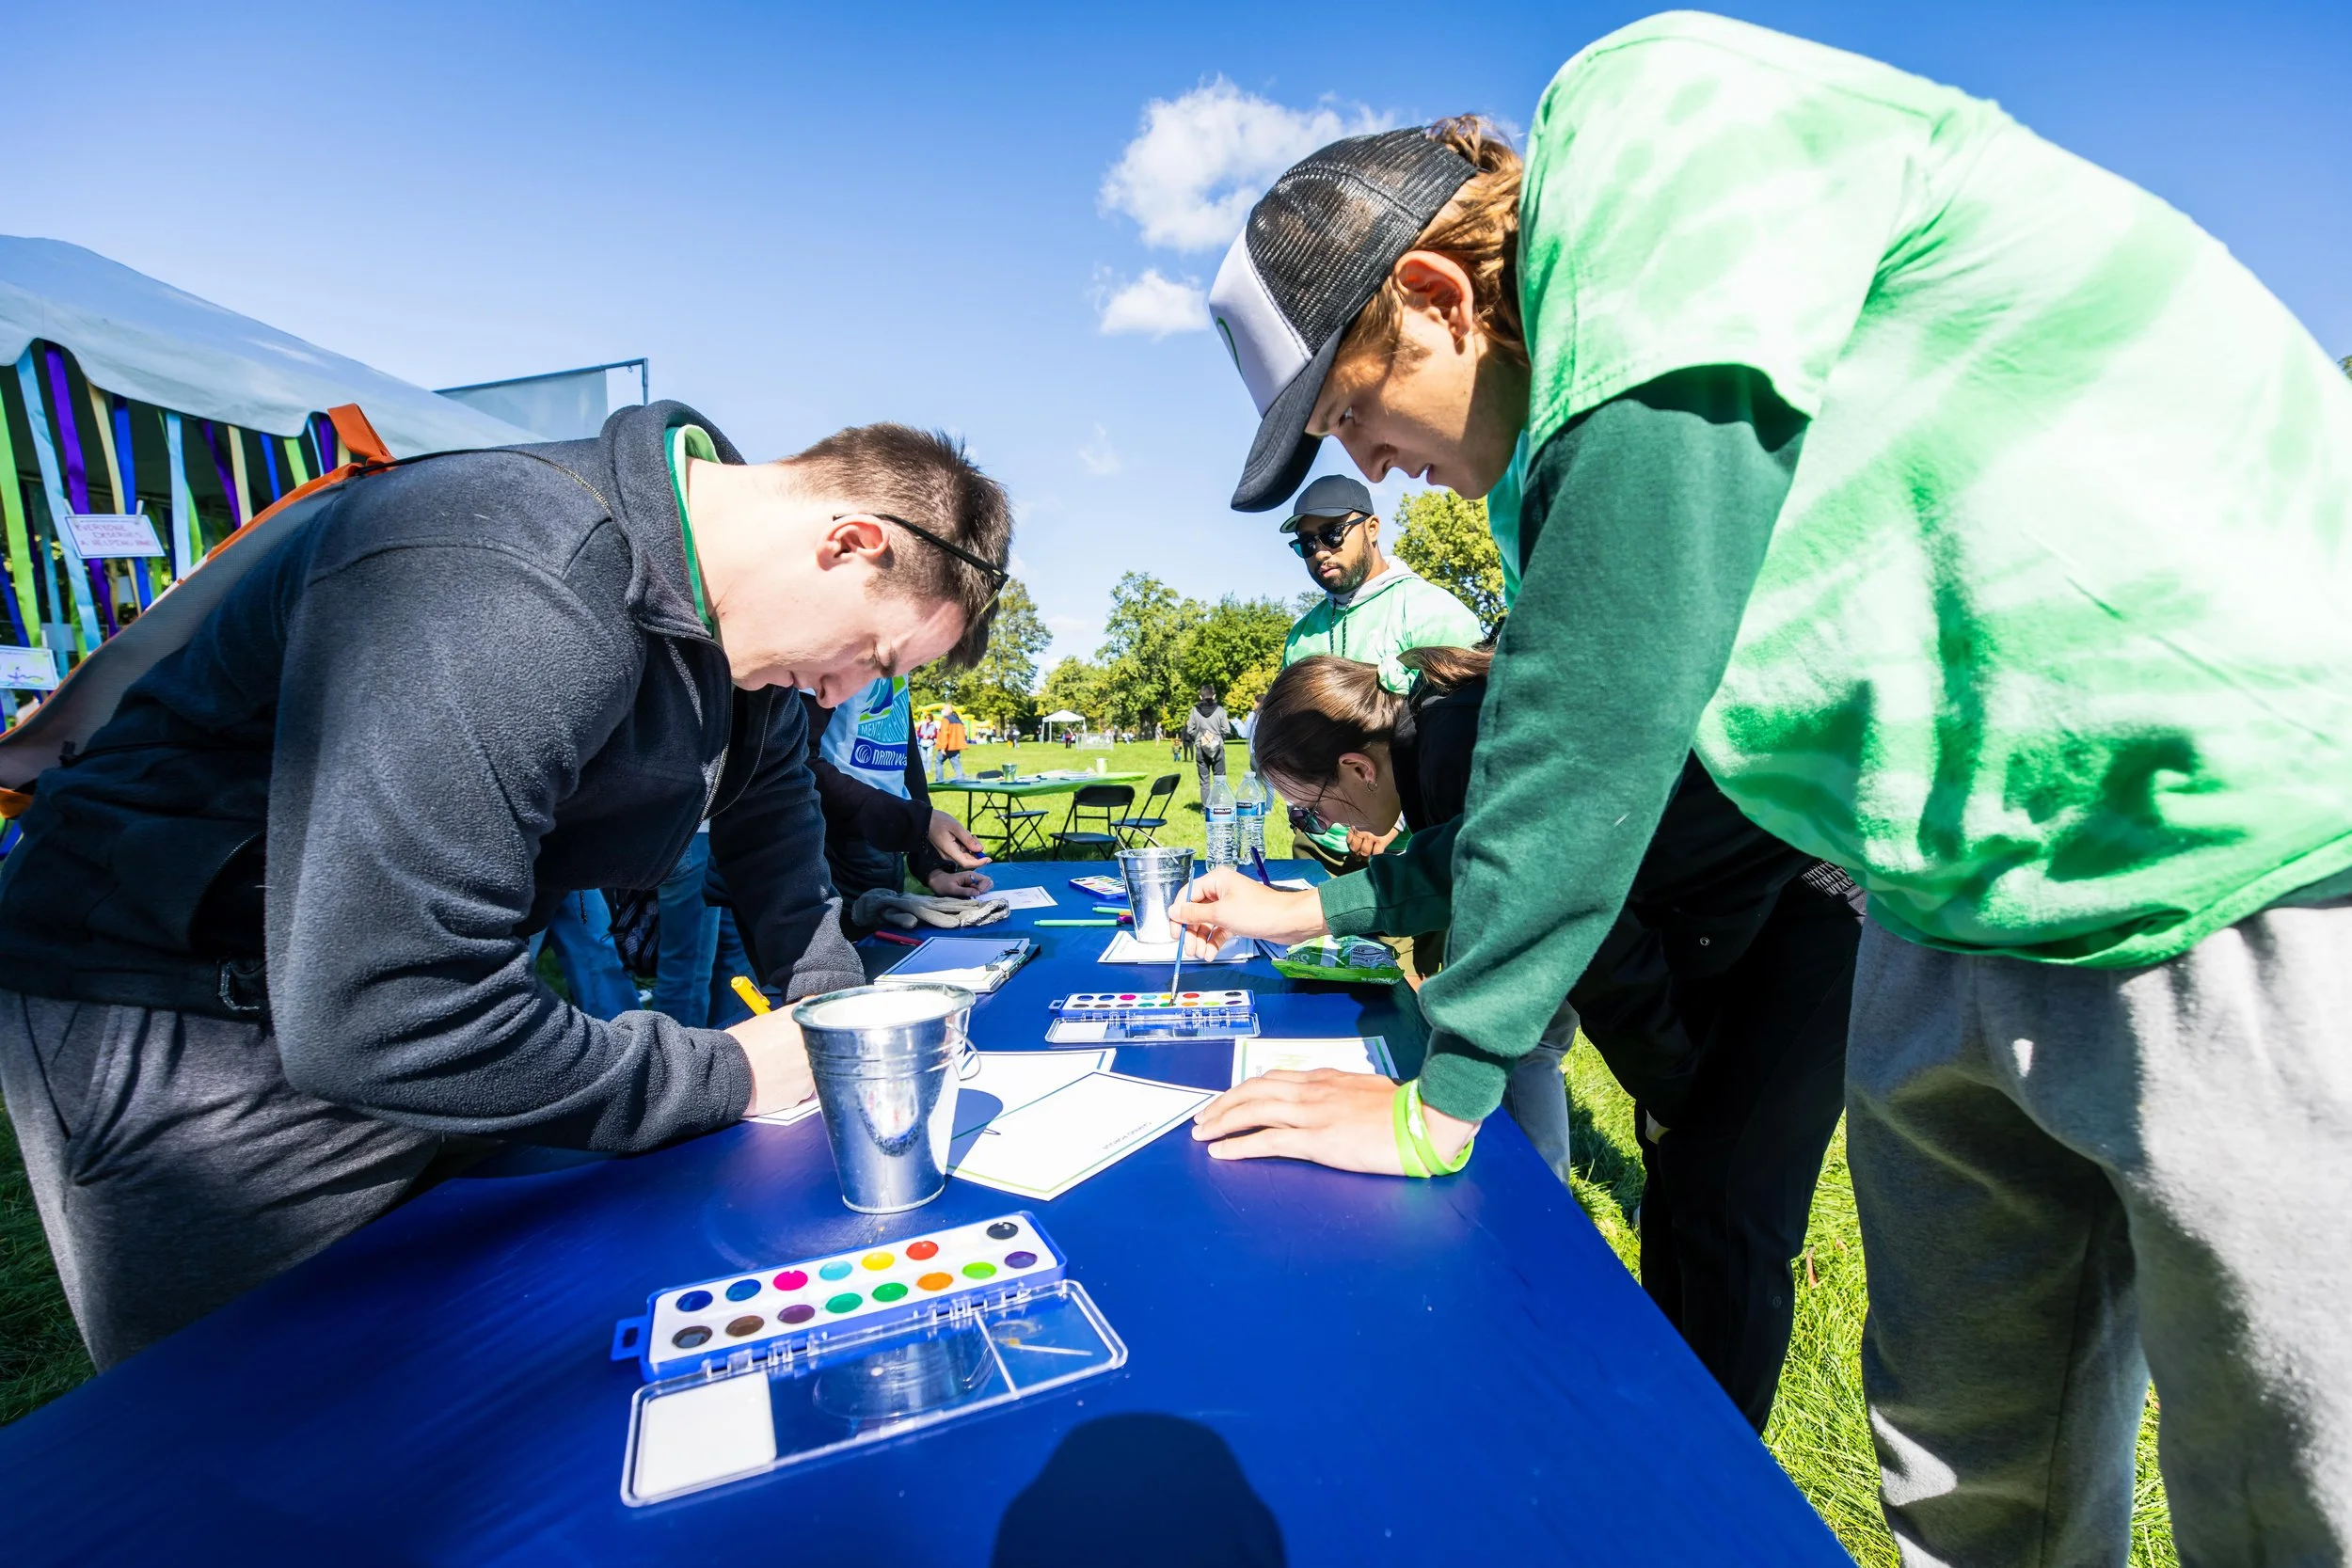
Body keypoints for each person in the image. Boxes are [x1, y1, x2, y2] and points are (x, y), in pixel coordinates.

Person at [1184, 16, 2352, 1560]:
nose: (1375, 470)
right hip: (1944, 911)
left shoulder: (1657, 114)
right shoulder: (1551, 480)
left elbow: (1582, 718)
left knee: (2292, 1487)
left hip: (2236, 851)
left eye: (1349, 417)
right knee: (1967, 1489)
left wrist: (1441, 1091)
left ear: (1439, 296)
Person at [0, 404, 1013, 1367]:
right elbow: (387, 1013)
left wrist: (832, 1014)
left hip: (395, 1011)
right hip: (179, 1011)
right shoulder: (511, 565)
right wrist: (735, 1071)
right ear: (850, 542)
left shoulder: (740, 630)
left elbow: (771, 805)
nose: (847, 693)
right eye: (868, 656)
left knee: (472, 1370)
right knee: (261, 1417)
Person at [1180, 648, 1857, 1429]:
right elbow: (1472, 859)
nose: (1318, 825)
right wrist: (1291, 910)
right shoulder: (1437, 740)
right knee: (1683, 1188)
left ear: (1358, 768)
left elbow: (1589, 935)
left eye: (1311, 806)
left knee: (1730, 1203)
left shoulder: (1453, 747)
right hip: (1735, 915)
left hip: (1807, 910)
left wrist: (1679, 1086)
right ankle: (1661, 1414)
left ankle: (1716, 1472)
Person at [1276, 474, 1481, 873]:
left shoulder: (1433, 612)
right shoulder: (1301, 635)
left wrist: (1397, 821)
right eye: (1306, 543)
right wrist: (1306, 813)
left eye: (1332, 534)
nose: (1319, 552)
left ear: (1372, 528)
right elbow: (1289, 740)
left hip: (1407, 847)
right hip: (1316, 843)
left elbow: (1461, 745)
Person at [806, 675, 993, 903]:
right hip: (834, 839)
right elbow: (799, 763)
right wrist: (917, 822)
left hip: (889, 833)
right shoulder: (829, 659)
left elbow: (908, 764)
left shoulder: (901, 666)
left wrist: (933, 867)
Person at [1183, 686, 1234, 799]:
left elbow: (1190, 730)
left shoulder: (1194, 710)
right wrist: (1218, 738)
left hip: (1201, 748)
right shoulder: (1220, 710)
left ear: (1200, 696)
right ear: (1214, 696)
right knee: (1220, 779)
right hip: (1217, 748)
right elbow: (1226, 730)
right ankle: (1218, 806)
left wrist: (1198, 738)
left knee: (1204, 780)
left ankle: (1205, 808)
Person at [932, 704, 968, 783]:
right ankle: (960, 779)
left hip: (947, 746)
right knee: (956, 763)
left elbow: (944, 734)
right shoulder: (958, 720)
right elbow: (964, 733)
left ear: (948, 710)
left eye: (943, 709)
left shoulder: (946, 719)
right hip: (956, 746)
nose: (942, 711)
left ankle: (939, 780)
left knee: (938, 762)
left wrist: (942, 747)